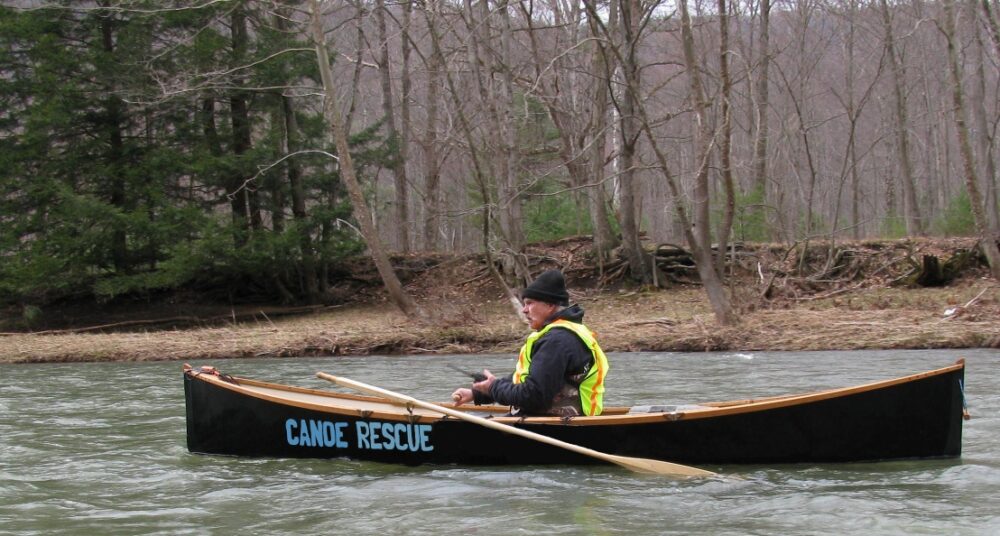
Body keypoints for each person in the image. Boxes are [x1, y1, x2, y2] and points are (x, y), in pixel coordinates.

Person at [451, 269, 610, 417]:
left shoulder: (557, 340)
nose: (524, 310)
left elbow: (533, 395)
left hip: (558, 427)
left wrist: (494, 388)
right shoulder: (566, 333)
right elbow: (529, 378)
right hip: (558, 422)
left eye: (530, 303)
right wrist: (479, 393)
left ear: (549, 305)